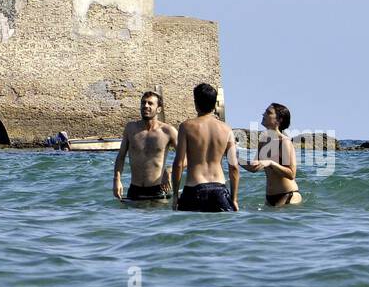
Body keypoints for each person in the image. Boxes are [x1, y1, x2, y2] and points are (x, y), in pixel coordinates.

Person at [172, 83, 239, 212]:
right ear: (214, 105)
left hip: (194, 188)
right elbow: (234, 166)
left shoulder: (186, 127)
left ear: (196, 103)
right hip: (220, 190)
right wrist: (234, 199)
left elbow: (179, 163)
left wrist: (175, 195)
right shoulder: (226, 129)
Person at [113, 92, 178, 202]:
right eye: (143, 103)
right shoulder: (131, 128)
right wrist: (117, 180)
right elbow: (121, 156)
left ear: (159, 109)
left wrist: (169, 171)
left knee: (157, 219)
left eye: (150, 103)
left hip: (158, 190)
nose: (146, 106)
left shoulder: (168, 131)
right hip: (134, 190)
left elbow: (186, 157)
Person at [242, 103, 303, 206]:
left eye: (268, 112)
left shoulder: (284, 142)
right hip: (269, 199)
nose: (263, 114)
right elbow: (254, 167)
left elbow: (291, 174)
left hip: (288, 196)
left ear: (279, 120)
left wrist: (271, 163)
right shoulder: (263, 141)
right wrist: (235, 158)